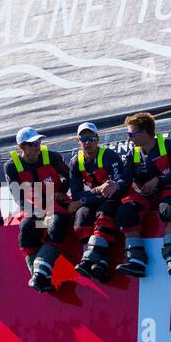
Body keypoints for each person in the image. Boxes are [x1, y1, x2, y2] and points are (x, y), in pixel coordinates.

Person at [116, 112, 171, 277]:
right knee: (125, 212)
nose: (129, 138)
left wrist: (157, 180)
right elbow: (125, 179)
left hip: (167, 189)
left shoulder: (168, 146)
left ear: (145, 132)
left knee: (169, 209)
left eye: (131, 134)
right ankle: (136, 259)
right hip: (145, 196)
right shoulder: (133, 153)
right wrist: (112, 184)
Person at [6, 127, 72, 293]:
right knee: (27, 229)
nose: (38, 145)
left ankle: (40, 272)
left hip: (55, 203)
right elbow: (17, 194)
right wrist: (33, 210)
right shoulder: (11, 166)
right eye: (33, 143)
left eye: (39, 141)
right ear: (22, 147)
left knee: (56, 224)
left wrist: (62, 192)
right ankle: (41, 278)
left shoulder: (52, 156)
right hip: (32, 206)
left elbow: (71, 176)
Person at [67, 121, 125, 283]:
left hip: (114, 198)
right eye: (83, 139)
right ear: (78, 141)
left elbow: (115, 188)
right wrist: (97, 190)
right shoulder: (74, 162)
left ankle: (90, 259)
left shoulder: (109, 156)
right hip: (94, 199)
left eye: (91, 138)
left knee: (103, 214)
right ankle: (100, 262)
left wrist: (89, 196)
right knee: (81, 216)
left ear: (98, 139)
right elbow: (78, 195)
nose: (87, 142)